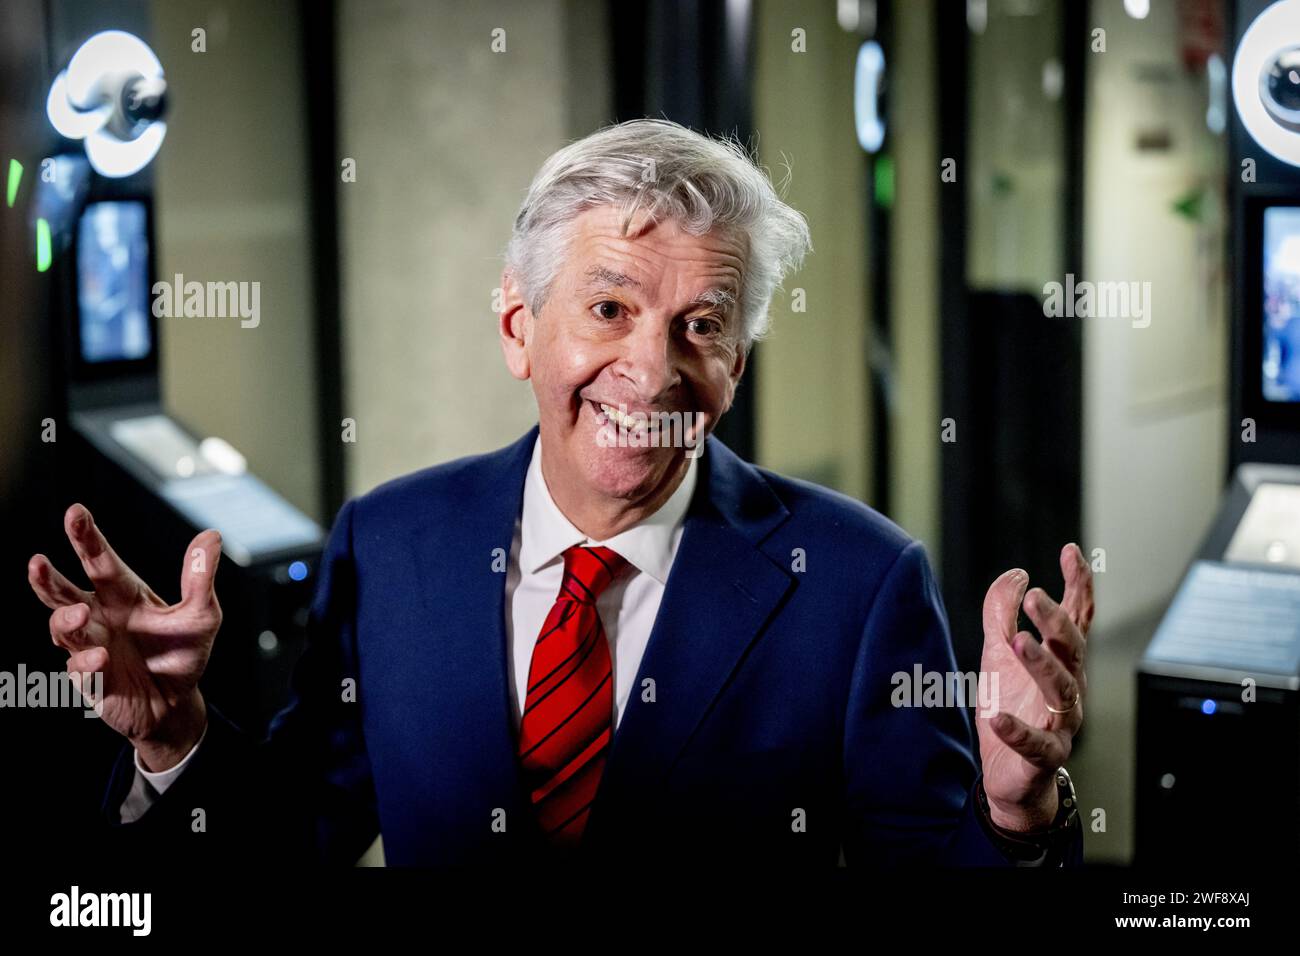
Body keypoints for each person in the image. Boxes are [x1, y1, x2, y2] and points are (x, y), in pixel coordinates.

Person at [27, 119, 1091, 867]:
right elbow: (285, 838)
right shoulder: (392, 546)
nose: (654, 368)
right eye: (610, 306)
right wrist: (175, 739)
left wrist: (1011, 812)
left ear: (737, 362)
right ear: (517, 327)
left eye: (703, 324)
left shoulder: (858, 582)